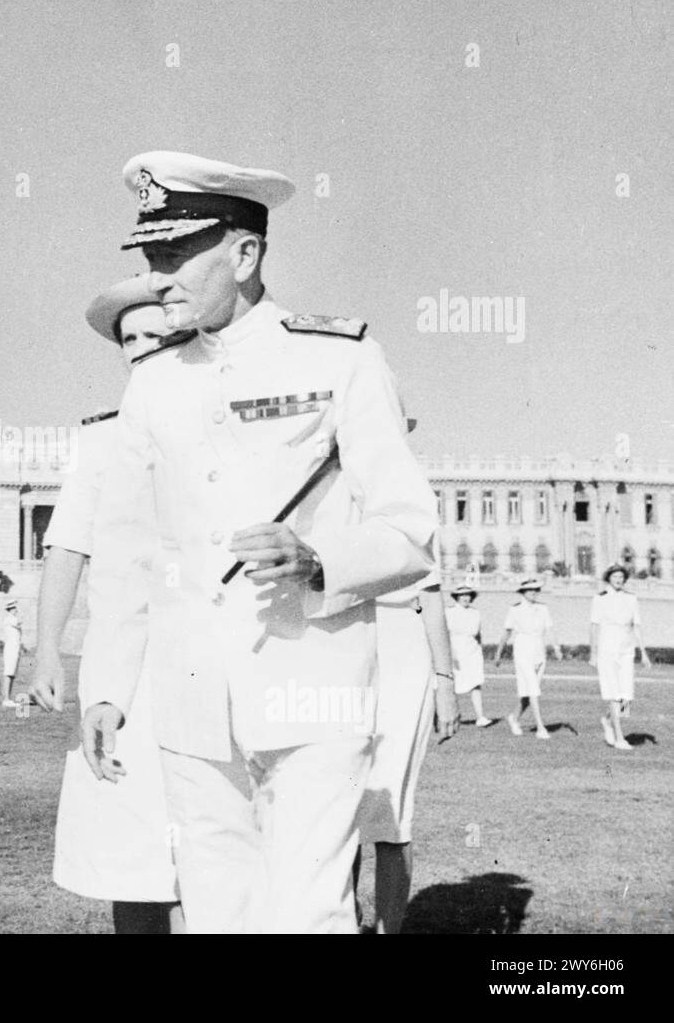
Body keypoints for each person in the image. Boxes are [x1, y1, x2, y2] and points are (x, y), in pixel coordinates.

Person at [80, 151, 437, 933]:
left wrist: (319, 561)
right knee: (216, 911)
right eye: (150, 259)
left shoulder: (340, 359)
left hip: (312, 681)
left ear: (244, 254)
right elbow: (126, 550)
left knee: (307, 911)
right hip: (191, 696)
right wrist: (105, 688)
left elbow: (410, 528)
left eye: (175, 255)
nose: (158, 278)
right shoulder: (155, 381)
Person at [28, 275, 182, 933]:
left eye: (157, 334)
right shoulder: (100, 441)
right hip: (126, 665)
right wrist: (45, 651)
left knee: (203, 848)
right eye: (130, 338)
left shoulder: (221, 425)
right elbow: (66, 547)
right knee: (129, 842)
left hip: (204, 655)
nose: (142, 348)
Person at [354, 571, 459, 934]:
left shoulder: (412, 516)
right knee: (336, 808)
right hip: (336, 645)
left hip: (400, 655)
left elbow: (430, 601)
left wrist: (445, 684)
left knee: (393, 813)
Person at [590, 564, 651, 751]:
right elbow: (594, 627)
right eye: (615, 576)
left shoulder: (631, 599)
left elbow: (637, 627)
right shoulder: (600, 599)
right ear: (609, 578)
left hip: (626, 651)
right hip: (607, 651)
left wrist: (644, 653)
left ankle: (607, 720)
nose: (618, 580)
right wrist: (593, 653)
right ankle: (619, 737)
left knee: (627, 698)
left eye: (621, 577)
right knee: (614, 695)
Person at [494, 577, 562, 739]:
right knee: (533, 690)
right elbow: (507, 632)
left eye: (536, 590)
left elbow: (550, 629)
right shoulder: (515, 609)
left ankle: (514, 718)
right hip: (523, 649)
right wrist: (499, 653)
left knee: (528, 692)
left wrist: (556, 648)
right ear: (523, 593)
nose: (533, 593)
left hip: (539, 650)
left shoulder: (543, 608)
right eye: (529, 590)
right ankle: (540, 727)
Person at [445, 585, 492, 727]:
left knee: (475, 683)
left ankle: (480, 717)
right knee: (452, 685)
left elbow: (478, 634)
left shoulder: (475, 613)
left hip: (473, 651)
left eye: (468, 595)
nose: (465, 598)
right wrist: (451, 654)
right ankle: (449, 716)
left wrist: (480, 649)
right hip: (456, 650)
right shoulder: (449, 612)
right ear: (457, 597)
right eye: (462, 595)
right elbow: (445, 634)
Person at [0, 600, 23, 706]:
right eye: (14, 608)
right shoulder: (10, 619)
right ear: (10, 609)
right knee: (8, 673)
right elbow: (19, 623)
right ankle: (6, 699)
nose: (16, 610)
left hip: (15, 648)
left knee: (12, 674)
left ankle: (8, 698)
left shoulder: (12, 619)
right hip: (11, 649)